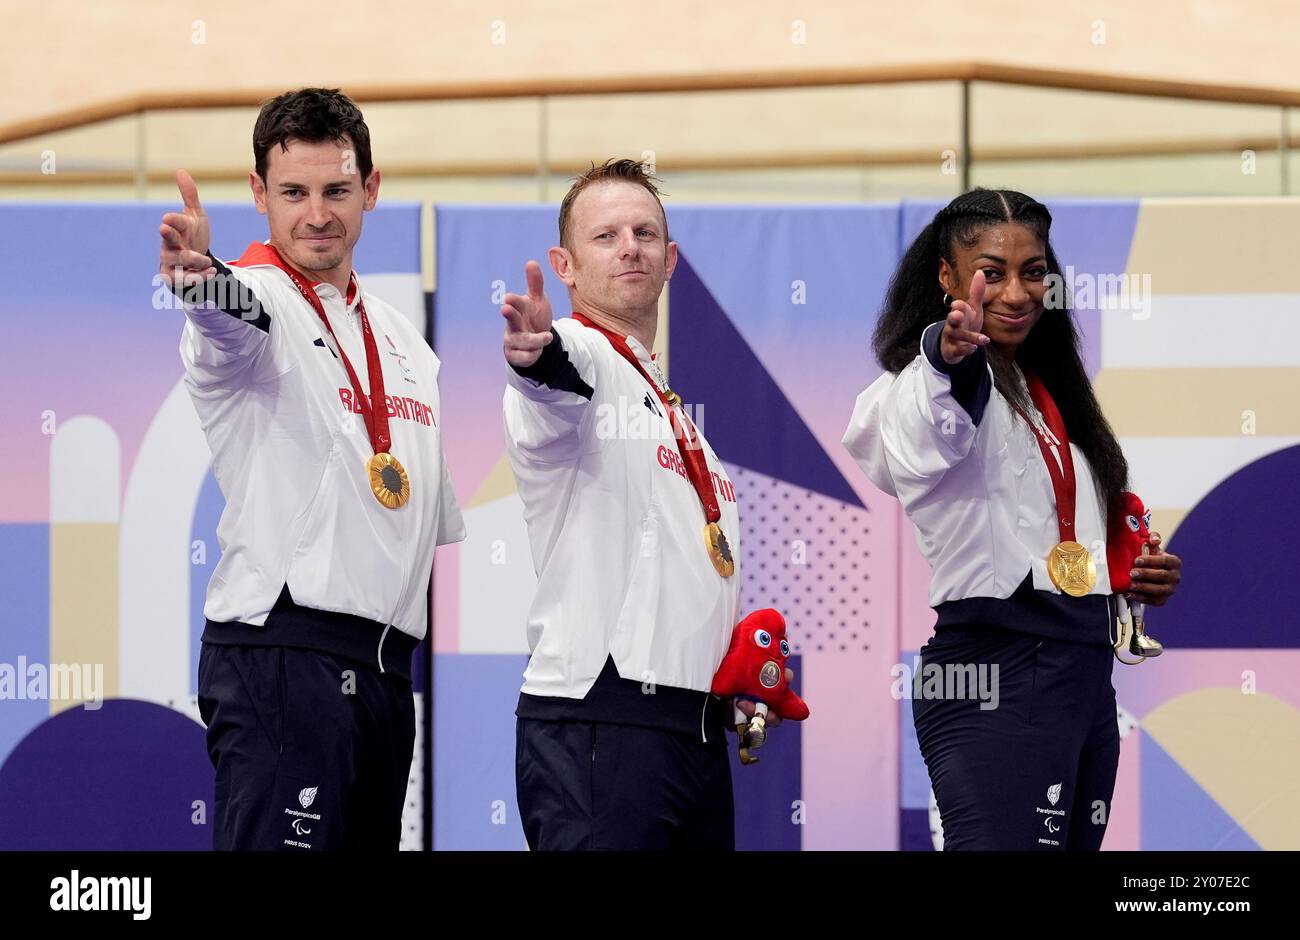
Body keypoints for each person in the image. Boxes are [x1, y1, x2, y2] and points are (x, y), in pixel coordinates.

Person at [158, 87, 465, 850]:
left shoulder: (400, 340)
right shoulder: (259, 296)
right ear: (259, 194)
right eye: (293, 192)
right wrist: (203, 282)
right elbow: (232, 321)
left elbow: (420, 516)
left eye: (336, 190)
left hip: (387, 673)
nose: (317, 213)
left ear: (371, 189)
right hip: (285, 657)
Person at [843, 188, 1182, 851]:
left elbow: (1058, 535)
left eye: (1033, 271)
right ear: (947, 277)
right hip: (992, 672)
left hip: (1083, 674)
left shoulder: (1052, 397)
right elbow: (930, 430)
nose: (1017, 292)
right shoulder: (928, 383)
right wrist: (947, 356)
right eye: (991, 272)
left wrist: (1130, 580)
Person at [500, 158, 790, 850]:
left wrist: (725, 674)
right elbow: (553, 377)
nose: (629, 246)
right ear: (564, 266)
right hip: (600, 726)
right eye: (605, 237)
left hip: (689, 734)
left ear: (670, 260)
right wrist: (535, 355)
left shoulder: (671, 412)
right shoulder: (584, 358)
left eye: (645, 233)